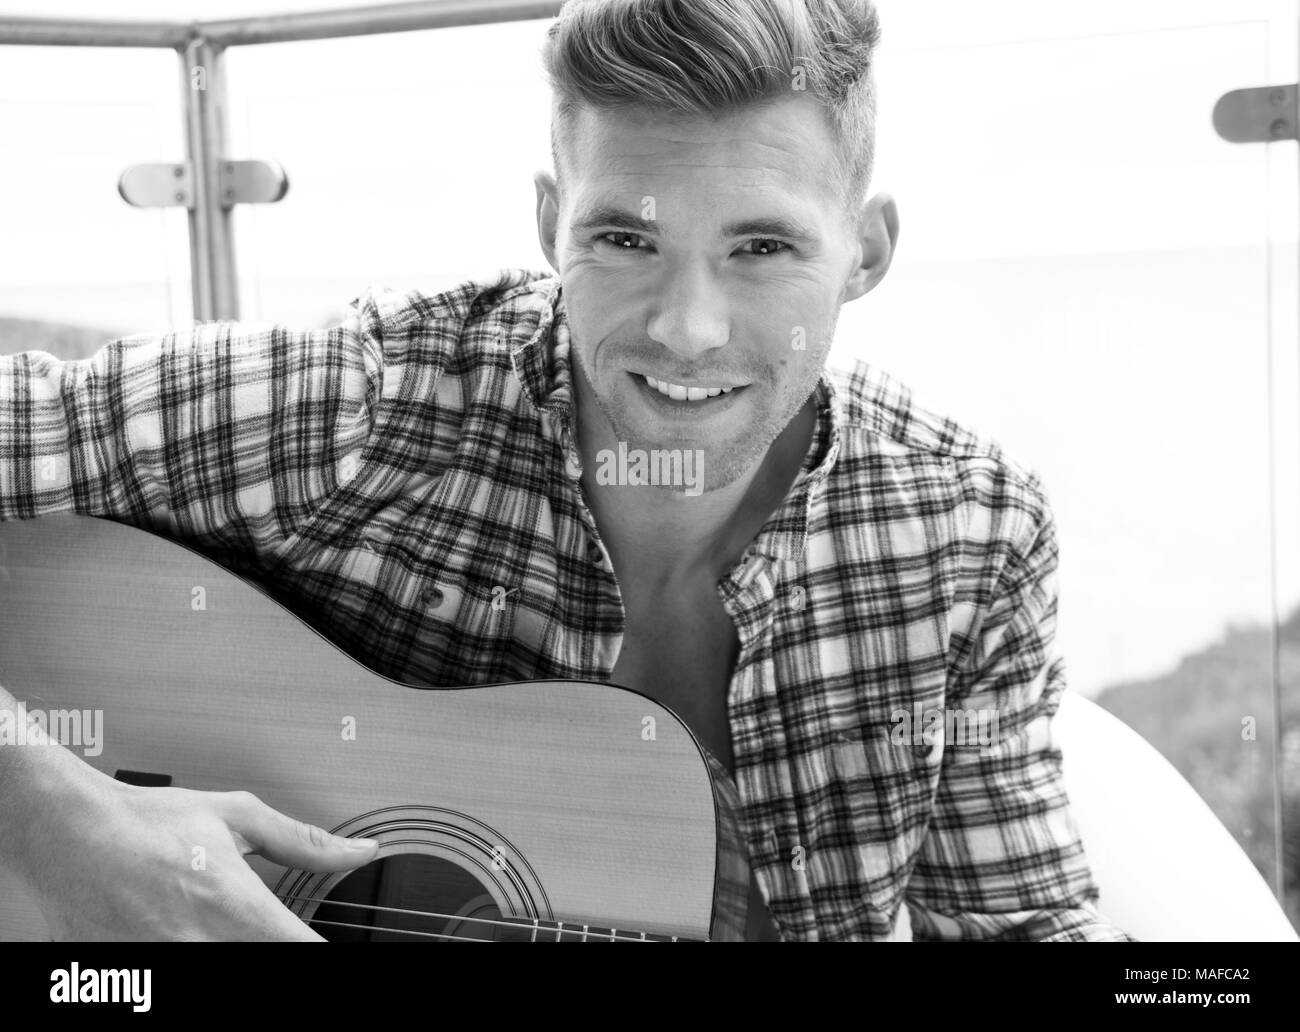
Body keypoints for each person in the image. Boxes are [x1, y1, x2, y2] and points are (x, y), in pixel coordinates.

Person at [0, 0, 1133, 941]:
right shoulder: (363, 409)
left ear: (867, 251)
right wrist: (60, 824)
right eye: (625, 240)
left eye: (762, 247)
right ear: (551, 225)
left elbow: (1011, 927)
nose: (687, 329)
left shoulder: (969, 534)